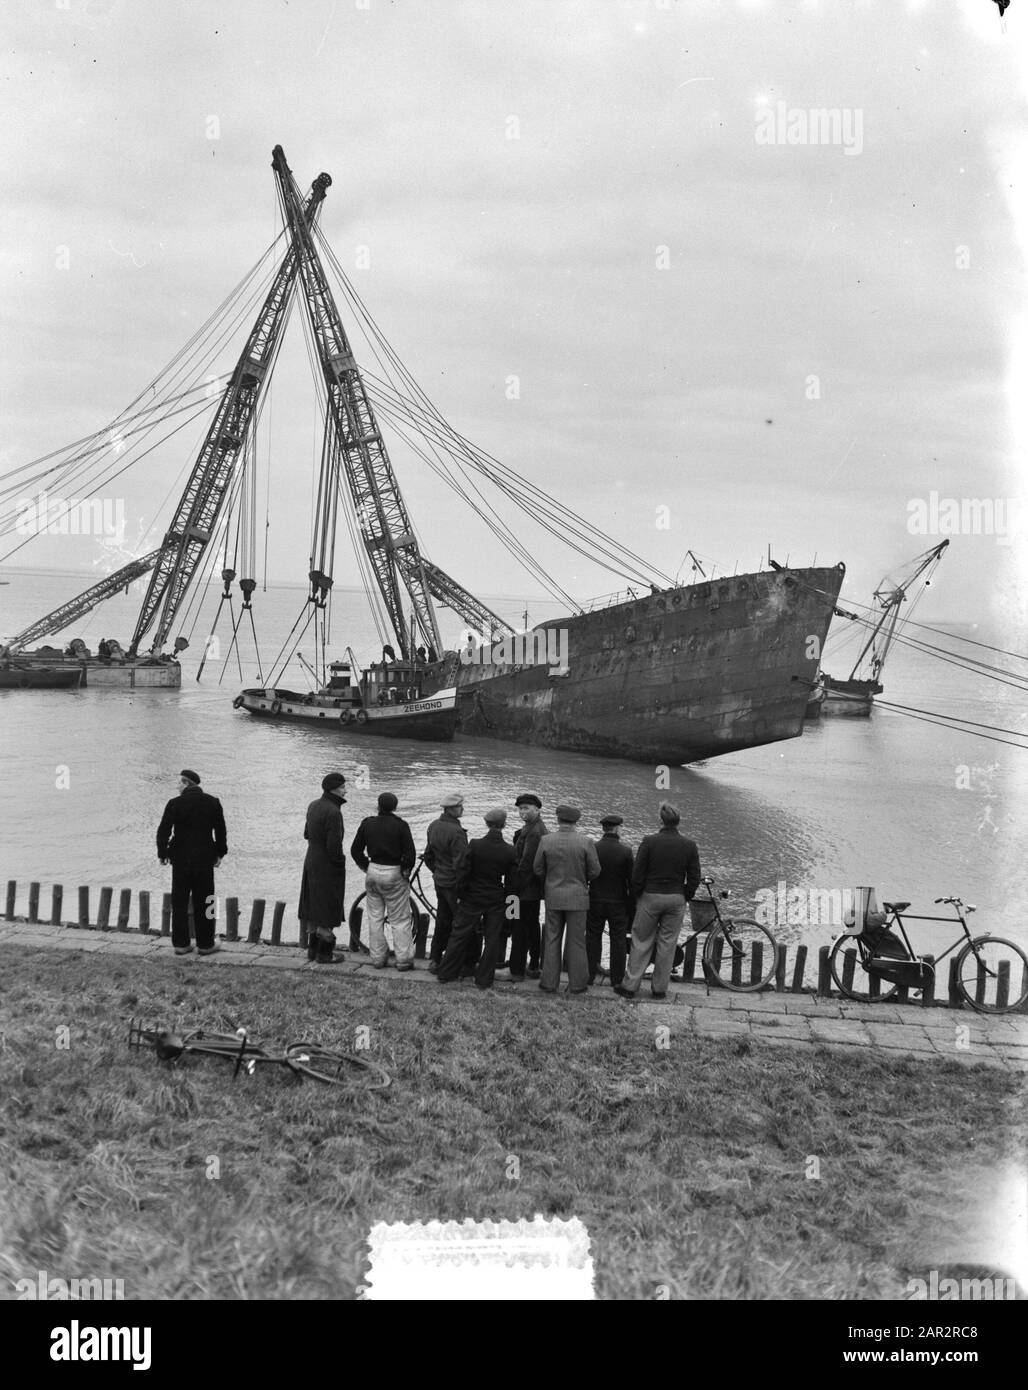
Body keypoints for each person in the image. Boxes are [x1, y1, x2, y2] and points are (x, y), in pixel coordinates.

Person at [616, 801, 701, 1001]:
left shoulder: (649, 841)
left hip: (650, 896)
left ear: (660, 820)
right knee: (667, 943)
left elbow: (637, 874)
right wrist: (684, 895)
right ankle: (659, 988)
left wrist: (638, 895)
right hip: (676, 898)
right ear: (678, 821)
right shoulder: (689, 845)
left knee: (641, 940)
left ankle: (630, 986)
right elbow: (695, 877)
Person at [437, 809, 517, 989]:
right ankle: (484, 979)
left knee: (459, 933)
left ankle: (446, 972)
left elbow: (463, 870)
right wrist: (511, 906)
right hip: (495, 899)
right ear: (503, 825)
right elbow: (513, 883)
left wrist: (461, 894)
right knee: (492, 939)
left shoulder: (475, 844)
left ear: (487, 824)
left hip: (472, 897)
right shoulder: (510, 851)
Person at [156, 769, 228, 957]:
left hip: (180, 859)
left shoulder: (174, 804)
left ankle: (181, 944)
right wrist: (220, 853)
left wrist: (162, 853)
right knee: (207, 900)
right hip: (204, 859)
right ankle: (206, 944)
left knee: (179, 901)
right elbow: (220, 831)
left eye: (179, 783)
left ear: (187, 783)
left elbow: (163, 831)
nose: (177, 786)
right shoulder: (213, 802)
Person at [533, 805, 600, 994]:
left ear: (558, 820)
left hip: (553, 896)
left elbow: (537, 868)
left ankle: (549, 982)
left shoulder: (546, 840)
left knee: (552, 938)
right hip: (578, 898)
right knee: (577, 941)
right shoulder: (586, 842)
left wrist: (551, 879)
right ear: (576, 821)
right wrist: (582, 878)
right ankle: (577, 984)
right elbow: (595, 871)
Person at [350, 792, 417, 970]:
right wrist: (405, 870)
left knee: (375, 917)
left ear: (378, 805)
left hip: (373, 871)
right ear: (395, 807)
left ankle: (378, 958)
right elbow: (410, 854)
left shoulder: (367, 824)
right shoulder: (401, 826)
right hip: (394, 872)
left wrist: (366, 866)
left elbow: (355, 850)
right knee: (400, 919)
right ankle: (403, 959)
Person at [298, 772, 347, 965]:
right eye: (343, 787)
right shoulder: (334, 812)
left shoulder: (313, 805)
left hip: (311, 859)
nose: (346, 790)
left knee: (313, 903)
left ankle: (312, 950)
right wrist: (339, 862)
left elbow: (306, 833)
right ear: (334, 789)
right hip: (326, 863)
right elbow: (334, 845)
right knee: (328, 903)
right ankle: (325, 954)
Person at [587, 814, 634, 988]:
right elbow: (632, 881)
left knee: (592, 938)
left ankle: (589, 975)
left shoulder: (593, 848)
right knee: (618, 940)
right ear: (617, 828)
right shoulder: (626, 851)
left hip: (595, 899)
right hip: (618, 902)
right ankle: (616, 979)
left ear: (603, 829)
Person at [423, 792, 468, 972]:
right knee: (459, 923)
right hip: (453, 884)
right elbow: (461, 865)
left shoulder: (433, 826)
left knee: (442, 919)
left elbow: (428, 856)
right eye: (459, 806)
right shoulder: (457, 832)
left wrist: (437, 871)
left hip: (439, 881)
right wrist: (463, 889)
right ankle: (454, 963)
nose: (462, 809)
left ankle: (435, 958)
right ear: (451, 809)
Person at [509, 792, 548, 980]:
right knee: (531, 926)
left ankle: (516, 969)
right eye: (520, 808)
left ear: (537, 809)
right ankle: (533, 964)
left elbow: (527, 864)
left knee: (518, 926)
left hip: (522, 891)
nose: (522, 812)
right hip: (531, 891)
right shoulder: (533, 827)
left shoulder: (534, 832)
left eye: (526, 808)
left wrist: (513, 891)